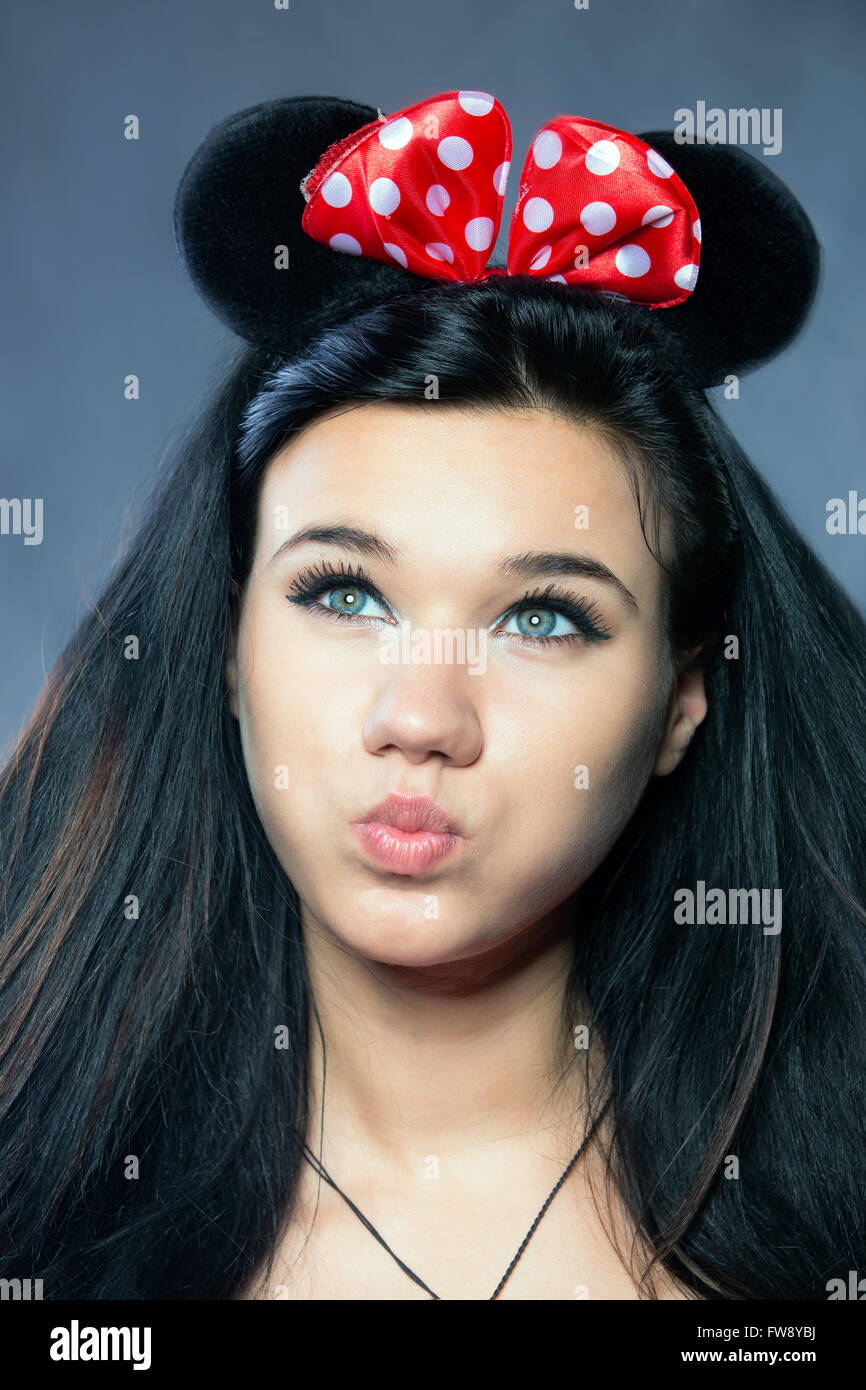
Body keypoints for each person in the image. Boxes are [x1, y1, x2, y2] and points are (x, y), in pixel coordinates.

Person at [0, 90, 863, 1302]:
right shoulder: (38, 1225)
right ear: (230, 643)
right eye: (344, 592)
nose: (420, 718)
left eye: (543, 618)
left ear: (680, 701)